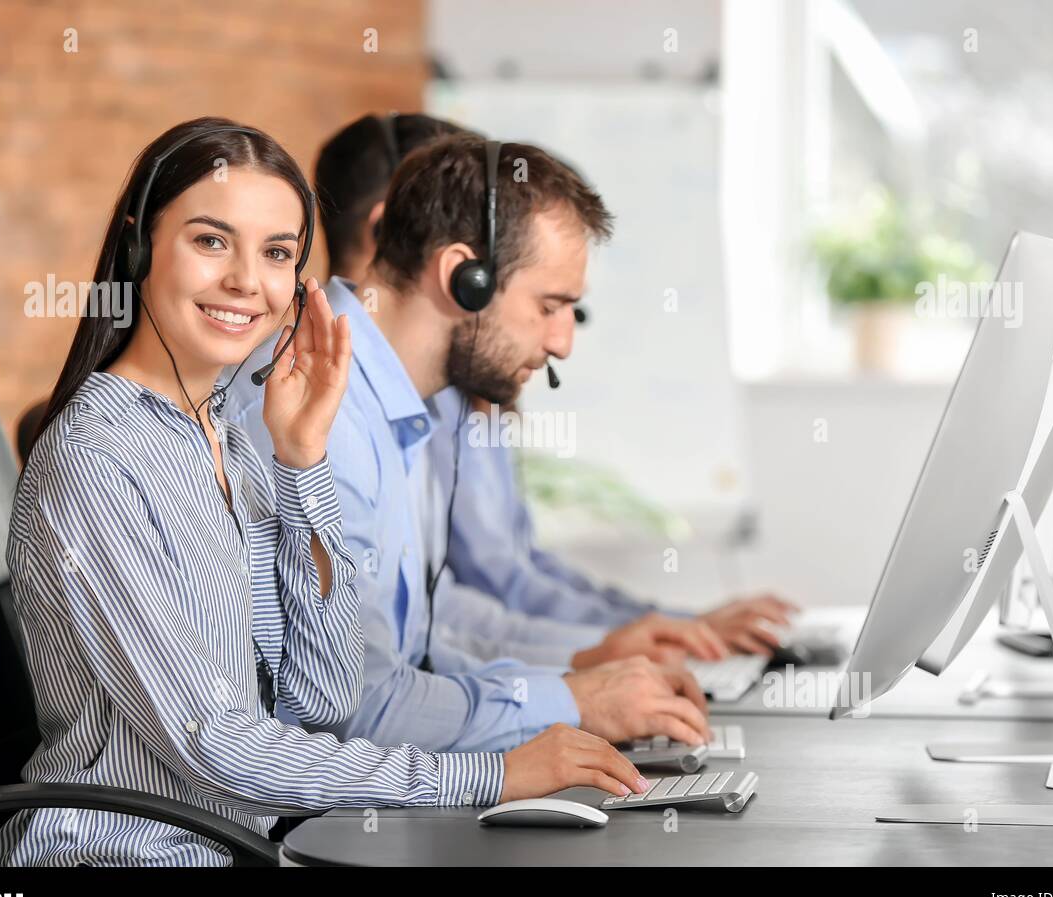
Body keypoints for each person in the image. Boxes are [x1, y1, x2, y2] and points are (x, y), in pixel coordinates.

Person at [0, 117, 645, 867]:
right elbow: (217, 744)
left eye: (275, 254)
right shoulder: (98, 460)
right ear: (140, 246)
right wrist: (486, 776)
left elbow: (324, 699)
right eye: (211, 241)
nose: (245, 280)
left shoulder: (232, 440)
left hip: (248, 848)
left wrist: (303, 465)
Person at [226, 131, 715, 754]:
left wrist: (577, 682)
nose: (564, 341)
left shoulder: (405, 407)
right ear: (465, 279)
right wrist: (571, 701)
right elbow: (356, 706)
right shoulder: (319, 407)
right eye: (549, 305)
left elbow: (421, 645)